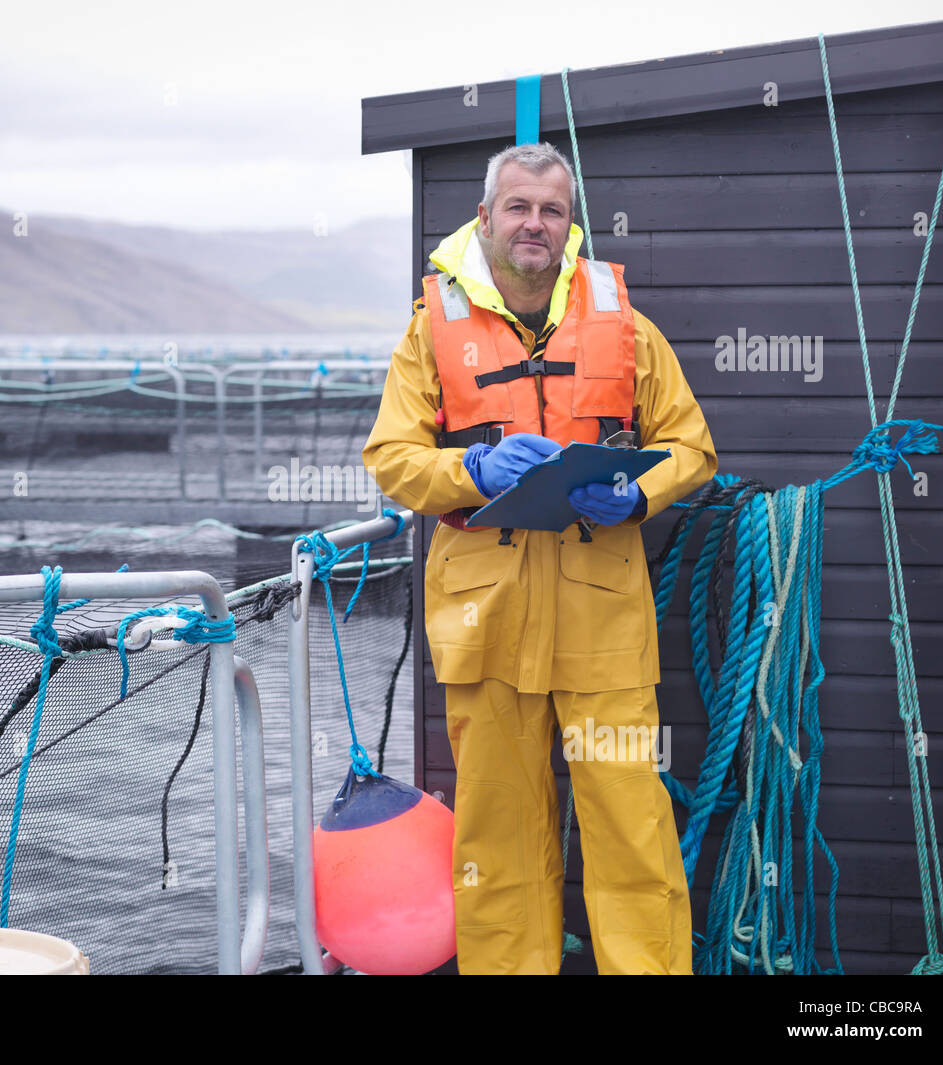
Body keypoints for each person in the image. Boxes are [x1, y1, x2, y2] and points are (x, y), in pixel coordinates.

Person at [362, 142, 718, 975]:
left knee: (633, 830)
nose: (534, 224)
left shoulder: (624, 323)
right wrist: (469, 470)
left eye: (550, 211)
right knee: (498, 843)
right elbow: (390, 457)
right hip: (487, 627)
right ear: (485, 218)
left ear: (569, 224)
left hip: (603, 624)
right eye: (518, 207)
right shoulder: (431, 330)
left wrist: (636, 495)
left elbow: (691, 446)